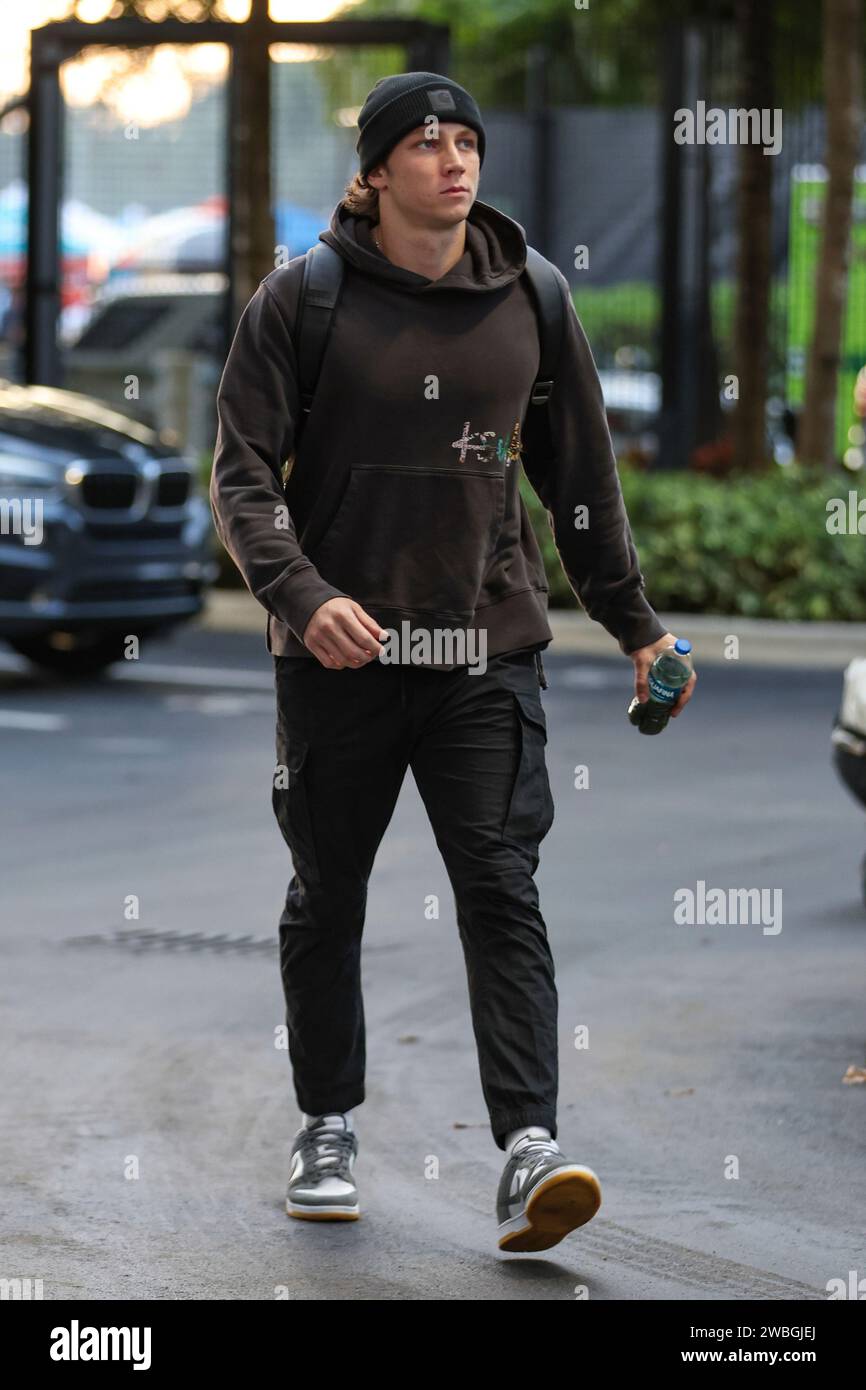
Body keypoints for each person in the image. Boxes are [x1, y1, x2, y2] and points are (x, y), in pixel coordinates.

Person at [209, 71, 697, 1253]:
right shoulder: (301, 300)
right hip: (339, 660)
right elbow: (239, 476)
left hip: (485, 649)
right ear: (375, 170)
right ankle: (326, 1122)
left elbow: (578, 482)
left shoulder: (530, 292)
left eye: (466, 141)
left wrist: (635, 625)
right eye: (426, 145)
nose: (455, 160)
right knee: (328, 893)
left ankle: (528, 1148)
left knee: (498, 883)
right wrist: (301, 593)